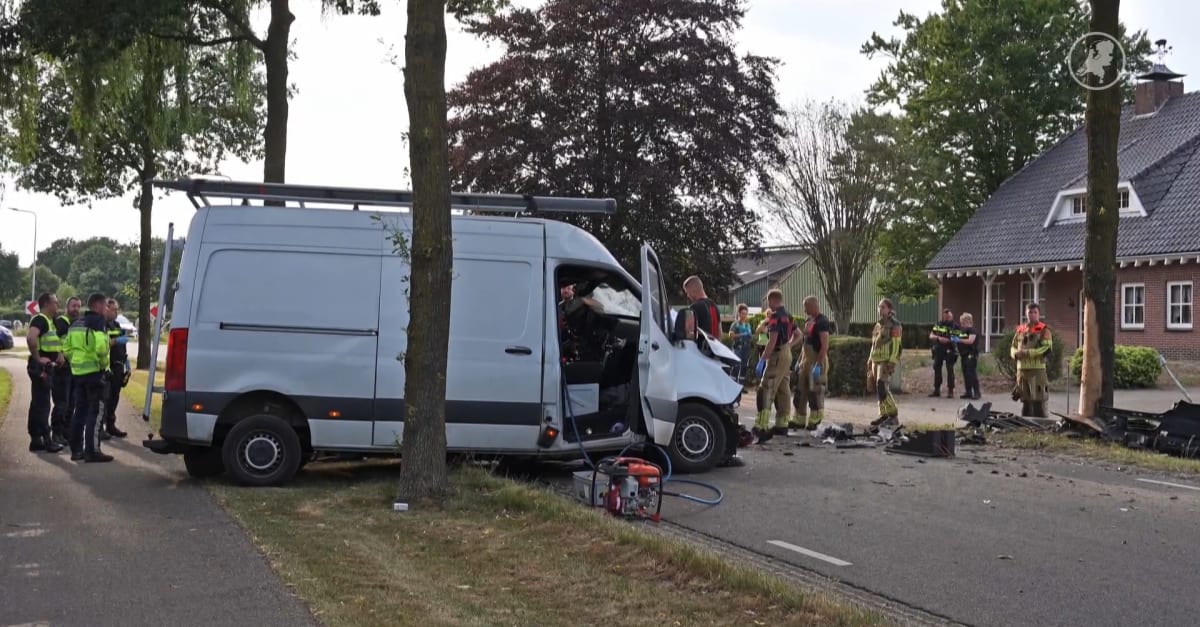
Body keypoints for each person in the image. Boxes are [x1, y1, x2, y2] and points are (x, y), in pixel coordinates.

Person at [64, 293, 114, 463]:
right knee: (96, 412)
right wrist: (103, 365)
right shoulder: (98, 323)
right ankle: (92, 451)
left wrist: (76, 364)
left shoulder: (76, 324)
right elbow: (101, 349)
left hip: (78, 374)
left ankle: (76, 450)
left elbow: (67, 349)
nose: (107, 309)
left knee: (80, 411)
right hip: (94, 374)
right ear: (98, 306)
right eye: (106, 306)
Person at [25, 292, 66, 453]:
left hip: (49, 367)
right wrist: (38, 358)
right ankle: (46, 440)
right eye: (56, 302)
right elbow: (31, 339)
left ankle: (36, 439)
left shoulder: (50, 321)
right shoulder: (40, 319)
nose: (58, 305)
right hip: (42, 368)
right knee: (42, 405)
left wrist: (60, 355)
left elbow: (53, 342)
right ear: (47, 304)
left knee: (38, 403)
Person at [752, 289, 796, 441]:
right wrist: (789, 346)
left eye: (768, 302)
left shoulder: (775, 317)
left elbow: (772, 340)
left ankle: (761, 426)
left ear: (772, 300)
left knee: (766, 388)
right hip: (786, 353)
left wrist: (763, 359)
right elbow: (799, 335)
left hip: (777, 355)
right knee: (783, 389)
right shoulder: (788, 316)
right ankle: (782, 424)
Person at [791, 295, 831, 430]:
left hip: (817, 360)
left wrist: (818, 365)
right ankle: (799, 419)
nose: (804, 310)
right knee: (800, 391)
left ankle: (816, 420)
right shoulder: (808, 321)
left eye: (805, 307)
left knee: (815, 392)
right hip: (805, 361)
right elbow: (805, 343)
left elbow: (825, 346)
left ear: (813, 306)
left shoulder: (822, 322)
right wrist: (799, 362)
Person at [1011, 303, 1052, 418]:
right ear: (1026, 313)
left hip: (1037, 370)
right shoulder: (1021, 329)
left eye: (1035, 312)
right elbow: (1013, 346)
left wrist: (1028, 353)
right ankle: (1025, 429)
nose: (1032, 315)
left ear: (1039, 314)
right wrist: (1015, 354)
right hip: (1022, 371)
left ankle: (1042, 427)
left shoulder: (1044, 330)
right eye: (1030, 312)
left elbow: (1046, 348)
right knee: (1025, 402)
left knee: (1039, 401)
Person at [867, 298, 903, 428]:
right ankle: (884, 414)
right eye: (879, 307)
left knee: (882, 386)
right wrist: (870, 359)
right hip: (876, 360)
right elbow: (874, 344)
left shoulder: (895, 324)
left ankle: (893, 415)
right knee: (878, 388)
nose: (880, 309)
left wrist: (892, 362)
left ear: (889, 309)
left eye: (883, 307)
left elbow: (896, 345)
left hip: (885, 361)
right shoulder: (878, 325)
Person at [101, 298, 131, 439]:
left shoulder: (116, 324)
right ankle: (100, 428)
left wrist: (127, 362)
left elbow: (122, 345)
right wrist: (114, 341)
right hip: (108, 366)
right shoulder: (102, 325)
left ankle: (111, 425)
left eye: (117, 309)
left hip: (119, 364)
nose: (116, 312)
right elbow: (102, 345)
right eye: (114, 309)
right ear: (106, 308)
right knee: (105, 398)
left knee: (114, 397)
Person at [54, 296, 83, 442]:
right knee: (62, 403)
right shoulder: (61, 322)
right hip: (62, 370)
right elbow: (53, 342)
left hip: (74, 369)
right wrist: (59, 355)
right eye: (73, 306)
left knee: (71, 403)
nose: (76, 309)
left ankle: (66, 432)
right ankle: (56, 434)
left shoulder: (77, 324)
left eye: (78, 306)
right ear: (67, 308)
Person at [928, 309, 960, 398]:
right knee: (937, 368)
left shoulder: (955, 326)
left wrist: (949, 339)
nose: (947, 318)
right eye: (945, 316)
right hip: (939, 349)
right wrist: (938, 338)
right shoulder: (939, 324)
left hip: (950, 349)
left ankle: (950, 391)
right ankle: (936, 389)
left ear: (951, 317)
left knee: (950, 369)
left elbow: (959, 338)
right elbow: (931, 335)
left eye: (949, 316)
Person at [956, 313, 981, 400]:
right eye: (961, 321)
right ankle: (968, 391)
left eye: (963, 321)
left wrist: (959, 339)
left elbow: (970, 341)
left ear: (968, 321)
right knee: (965, 373)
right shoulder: (963, 331)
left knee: (971, 373)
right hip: (964, 354)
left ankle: (977, 392)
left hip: (971, 354)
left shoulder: (972, 330)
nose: (961, 323)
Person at [727, 304, 752, 383]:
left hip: (746, 348)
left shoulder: (748, 325)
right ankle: (732, 384)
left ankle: (741, 385)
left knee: (744, 367)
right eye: (742, 313)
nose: (744, 315)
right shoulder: (735, 324)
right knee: (736, 366)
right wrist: (742, 334)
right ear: (739, 314)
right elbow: (731, 335)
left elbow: (750, 336)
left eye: (746, 313)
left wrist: (749, 336)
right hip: (738, 348)